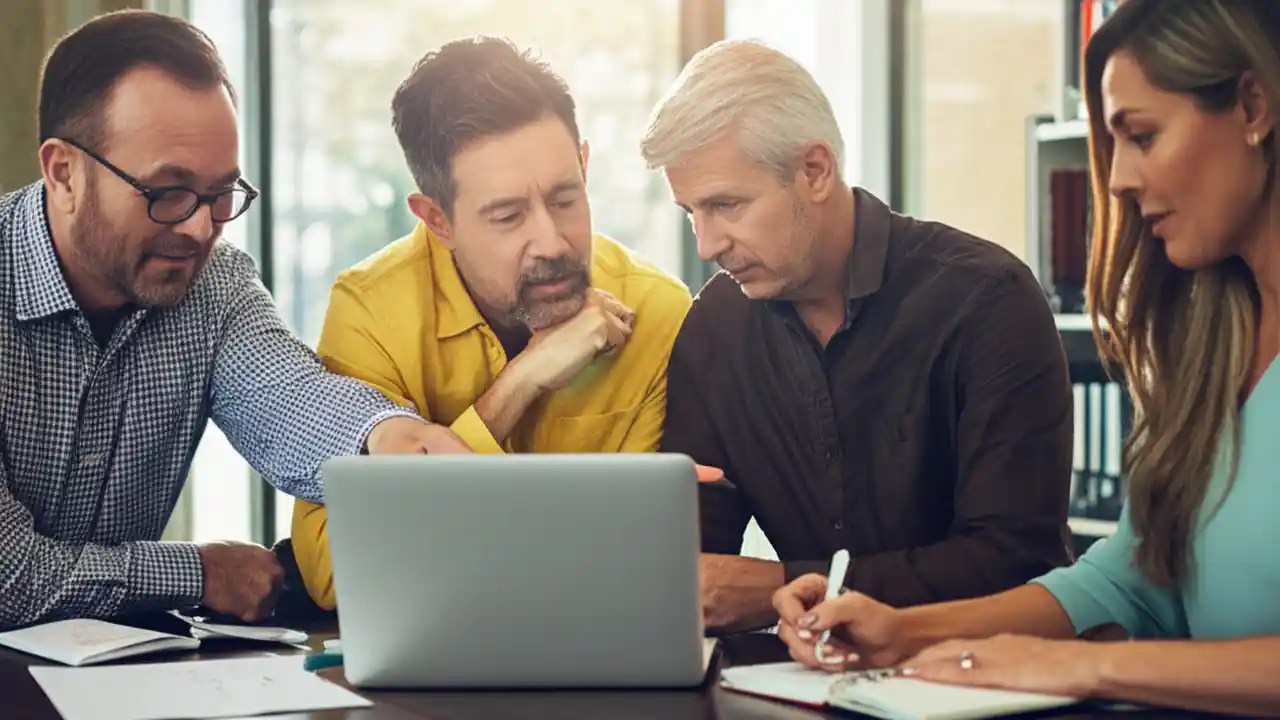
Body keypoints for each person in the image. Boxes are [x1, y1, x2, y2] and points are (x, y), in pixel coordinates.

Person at [772, 1, 1280, 715]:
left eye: (1143, 136)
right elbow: (1130, 579)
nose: (1119, 181)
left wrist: (1077, 668)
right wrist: (902, 633)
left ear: (1253, 106)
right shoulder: (1210, 345)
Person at [0, 10, 466, 631]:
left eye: (222, 194)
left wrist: (385, 437)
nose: (199, 228)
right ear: (63, 172)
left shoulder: (212, 284)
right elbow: (9, 576)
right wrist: (201, 573)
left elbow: (290, 397)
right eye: (168, 192)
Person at [641, 40, 1074, 633]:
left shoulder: (986, 301)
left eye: (726, 205)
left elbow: (1017, 562)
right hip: (805, 679)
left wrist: (786, 584)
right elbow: (697, 565)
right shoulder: (716, 328)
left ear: (815, 171)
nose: (707, 244)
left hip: (984, 676)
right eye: (691, 212)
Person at [290, 37, 692, 610]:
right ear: (437, 220)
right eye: (507, 216)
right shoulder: (370, 313)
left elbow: (648, 559)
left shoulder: (658, 311)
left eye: (565, 199)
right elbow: (335, 576)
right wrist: (519, 385)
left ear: (584, 165)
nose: (552, 242)